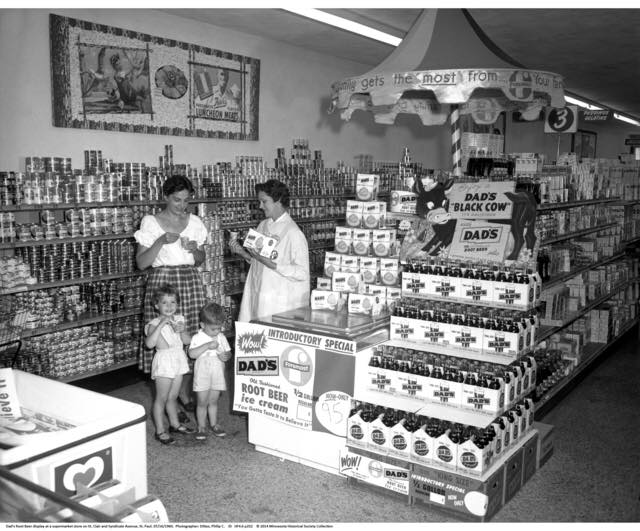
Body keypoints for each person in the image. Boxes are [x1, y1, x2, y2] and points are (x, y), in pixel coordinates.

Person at [134, 175, 207, 419]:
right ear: (165, 197)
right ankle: (167, 400)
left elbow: (200, 260)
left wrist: (195, 250)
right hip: (163, 284)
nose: (182, 206)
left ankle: (183, 394)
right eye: (177, 200)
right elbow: (142, 263)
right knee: (165, 342)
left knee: (189, 338)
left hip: (189, 281)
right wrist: (159, 241)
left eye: (186, 200)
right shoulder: (151, 222)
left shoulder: (195, 222)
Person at [229, 179, 310, 322]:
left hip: (278, 304)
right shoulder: (262, 225)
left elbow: (302, 273)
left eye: (264, 201)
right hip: (259, 295)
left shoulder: (294, 233)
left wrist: (271, 264)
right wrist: (243, 253)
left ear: (278, 200)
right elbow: (258, 262)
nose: (260, 206)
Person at [144, 284, 194, 445]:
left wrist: (181, 330)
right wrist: (160, 325)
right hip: (164, 363)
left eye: (173, 302)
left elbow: (187, 341)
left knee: (173, 397)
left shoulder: (180, 320)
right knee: (161, 398)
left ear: (177, 304)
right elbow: (150, 344)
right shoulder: (152, 324)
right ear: (156, 305)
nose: (169, 306)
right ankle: (159, 431)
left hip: (178, 359)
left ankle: (175, 424)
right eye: (164, 302)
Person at [189, 302, 232, 441]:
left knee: (213, 401)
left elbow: (228, 353)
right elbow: (192, 354)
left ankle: (214, 424)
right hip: (202, 373)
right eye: (214, 329)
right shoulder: (198, 337)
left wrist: (225, 356)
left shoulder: (221, 337)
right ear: (202, 325)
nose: (217, 332)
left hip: (217, 372)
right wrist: (207, 345)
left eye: (219, 328)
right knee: (202, 401)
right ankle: (201, 426)